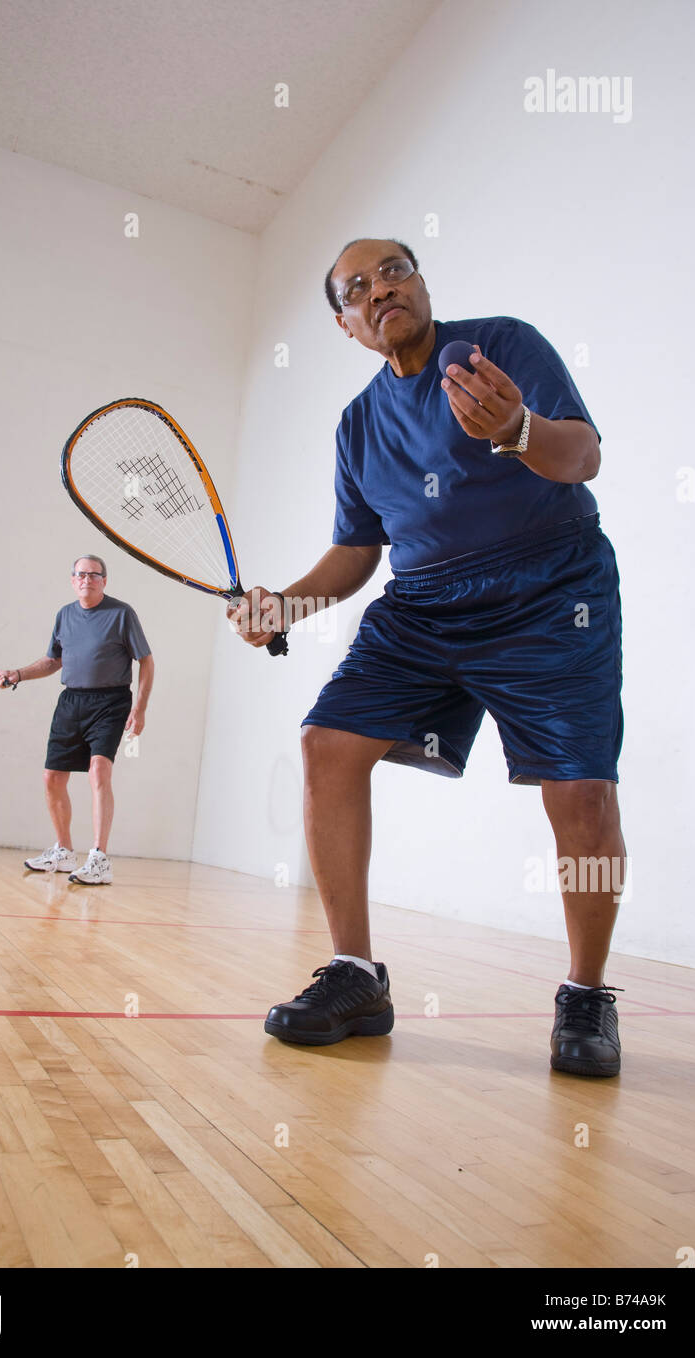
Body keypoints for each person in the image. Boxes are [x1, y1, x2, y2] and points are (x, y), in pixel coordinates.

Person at [229, 238, 626, 1077]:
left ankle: (586, 995)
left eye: (395, 271)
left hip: (553, 591)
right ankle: (356, 976)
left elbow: (583, 457)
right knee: (327, 744)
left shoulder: (500, 347)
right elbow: (357, 553)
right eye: (357, 288)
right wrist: (284, 606)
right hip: (423, 607)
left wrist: (517, 429)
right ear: (346, 325)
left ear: (421, 281)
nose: (382, 290)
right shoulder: (358, 424)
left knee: (581, 793)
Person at [0, 555, 153, 884]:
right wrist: (17, 674)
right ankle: (63, 852)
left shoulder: (122, 614)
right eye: (81, 575)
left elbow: (146, 661)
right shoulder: (64, 615)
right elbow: (53, 661)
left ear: (104, 581)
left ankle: (99, 859)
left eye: (94, 575)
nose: (87, 580)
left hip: (111, 702)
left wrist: (140, 707)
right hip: (71, 702)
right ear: (72, 580)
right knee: (52, 778)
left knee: (98, 771)